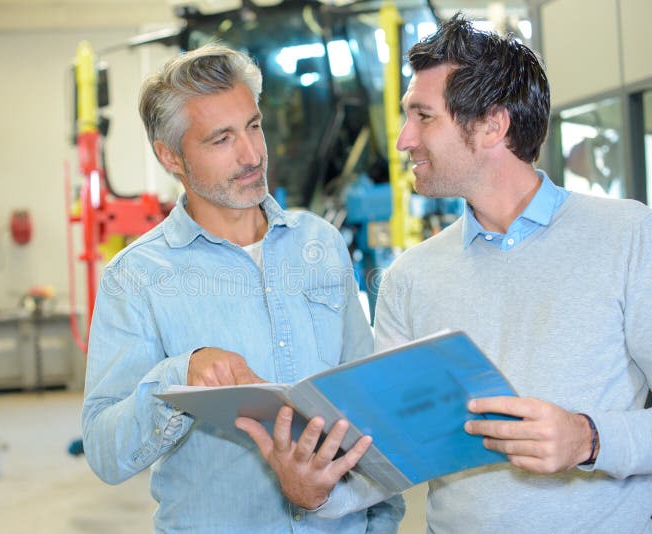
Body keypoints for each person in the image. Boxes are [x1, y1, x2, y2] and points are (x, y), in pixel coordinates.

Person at [237, 14, 652, 532]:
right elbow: (387, 449)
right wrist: (316, 491)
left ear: (491, 125)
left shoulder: (629, 236)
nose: (404, 140)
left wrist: (590, 439)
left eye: (423, 117)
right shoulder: (411, 275)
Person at [81, 43, 404, 533]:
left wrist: (380, 525)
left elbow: (366, 409)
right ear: (170, 155)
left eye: (254, 126)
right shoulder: (137, 276)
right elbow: (105, 452)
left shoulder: (319, 243)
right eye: (221, 139)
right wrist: (179, 376)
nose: (252, 154)